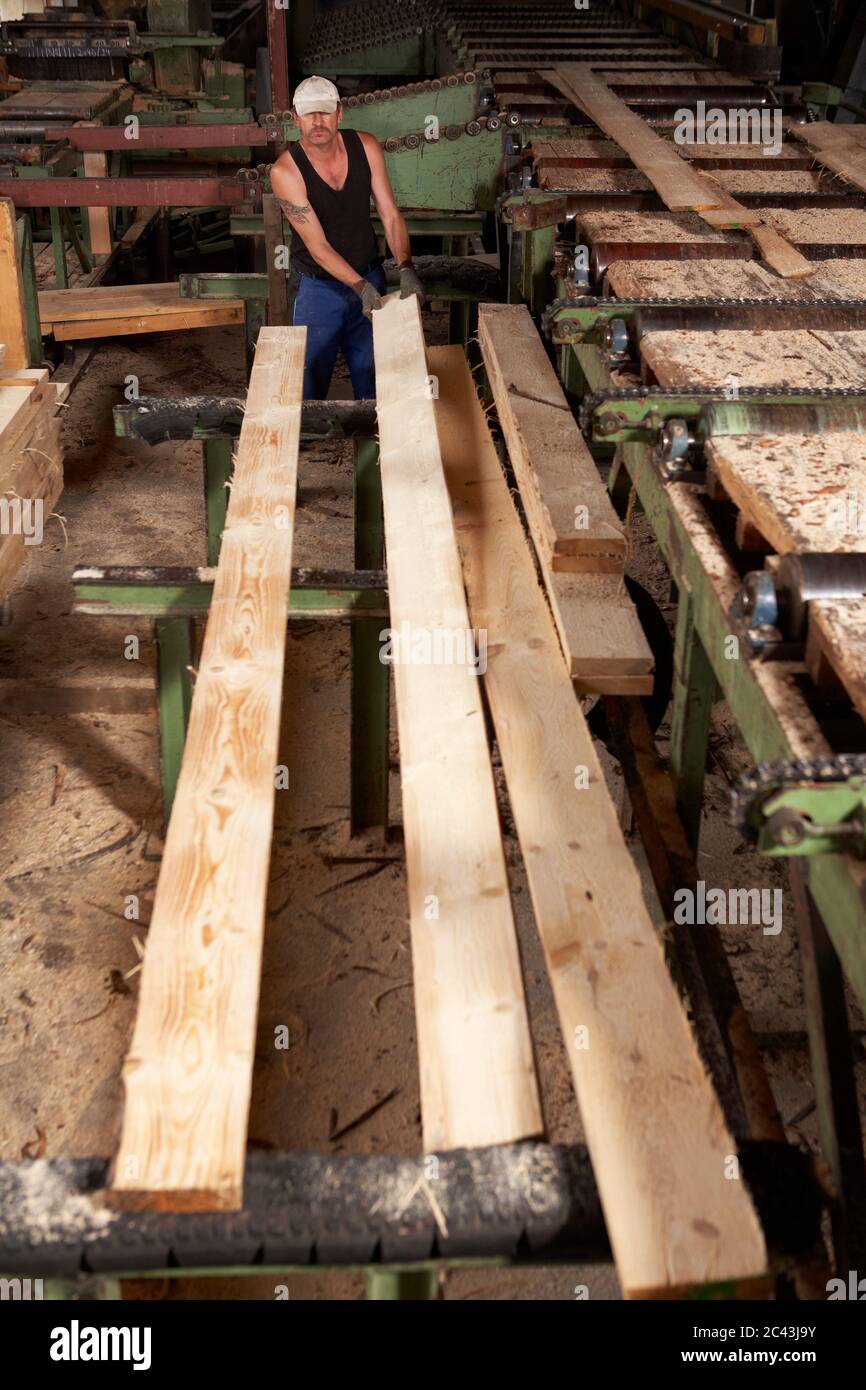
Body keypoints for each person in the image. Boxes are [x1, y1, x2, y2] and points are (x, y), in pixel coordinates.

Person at [269, 75, 425, 400]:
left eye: (324, 112)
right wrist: (360, 288)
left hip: (370, 274)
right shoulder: (286, 172)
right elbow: (318, 246)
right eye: (308, 114)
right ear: (295, 118)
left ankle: (373, 446)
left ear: (339, 113)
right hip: (319, 289)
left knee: (376, 382)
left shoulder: (365, 147)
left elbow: (390, 214)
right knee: (308, 386)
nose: (317, 122)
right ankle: (306, 446)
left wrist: (406, 266)